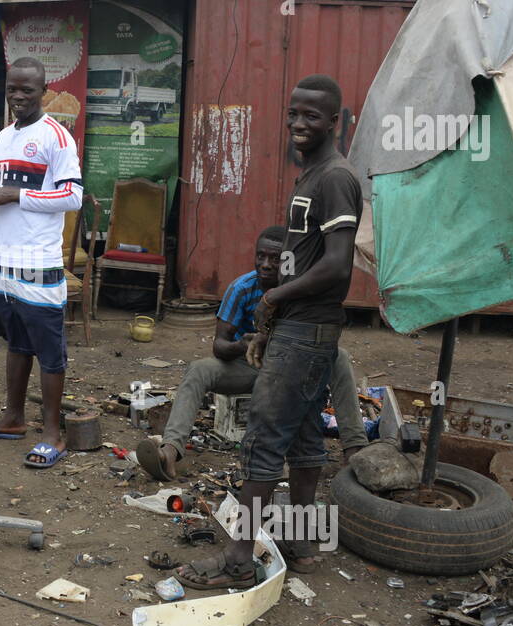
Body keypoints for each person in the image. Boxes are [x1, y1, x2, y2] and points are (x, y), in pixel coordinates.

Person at [177, 74, 362, 587]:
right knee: (303, 437)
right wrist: (270, 325)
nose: (300, 124)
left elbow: (338, 266)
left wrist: (276, 298)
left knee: (262, 438)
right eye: (293, 114)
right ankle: (302, 545)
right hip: (297, 328)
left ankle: (238, 561)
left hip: (308, 329)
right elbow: (302, 260)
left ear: (336, 121)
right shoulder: (312, 175)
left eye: (312, 116)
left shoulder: (335, 178)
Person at [137, 225, 368, 482]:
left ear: (289, 260)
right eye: (261, 256)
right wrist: (241, 345)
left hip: (292, 367)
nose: (266, 264)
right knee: (199, 369)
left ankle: (354, 448)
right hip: (250, 366)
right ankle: (170, 452)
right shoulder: (242, 289)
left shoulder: (299, 289)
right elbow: (219, 345)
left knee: (340, 357)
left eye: (275, 258)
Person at [0, 56, 83, 468]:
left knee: (49, 349)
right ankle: (13, 418)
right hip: (2, 258)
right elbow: (4, 188)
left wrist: (13, 195)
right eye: (12, 88)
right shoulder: (3, 138)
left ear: (43, 91)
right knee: (16, 340)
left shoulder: (57, 137)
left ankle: (52, 433)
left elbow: (73, 196)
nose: (18, 96)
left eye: (27, 90)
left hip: (39, 260)